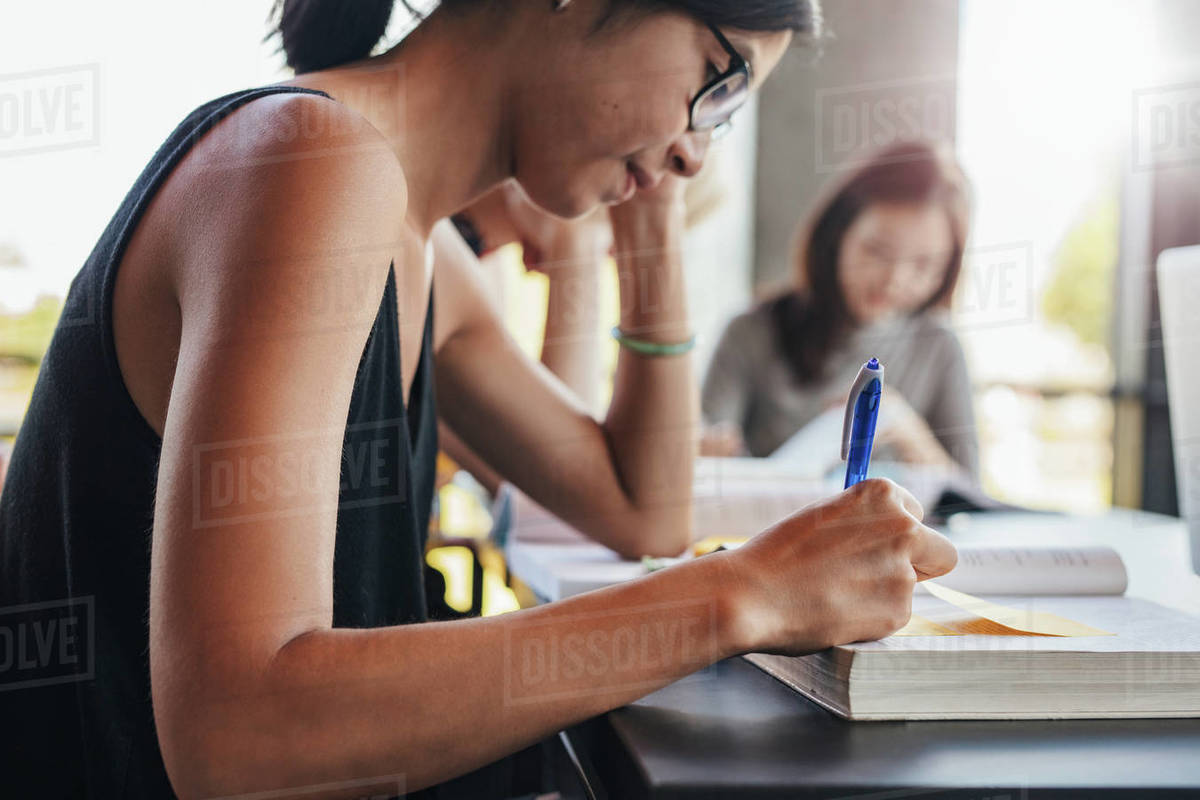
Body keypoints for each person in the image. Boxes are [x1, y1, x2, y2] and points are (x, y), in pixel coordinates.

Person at [0, 3, 957, 799]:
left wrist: (653, 212)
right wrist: (743, 592)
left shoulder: (423, 249)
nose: (701, 153)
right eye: (719, 79)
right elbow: (238, 732)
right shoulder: (309, 162)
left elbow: (640, 506)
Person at [702, 139, 980, 477]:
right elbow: (707, 457)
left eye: (924, 265)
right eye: (877, 251)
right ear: (838, 233)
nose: (894, 279)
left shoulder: (939, 347)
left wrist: (911, 435)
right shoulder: (750, 332)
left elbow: (972, 496)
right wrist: (712, 452)